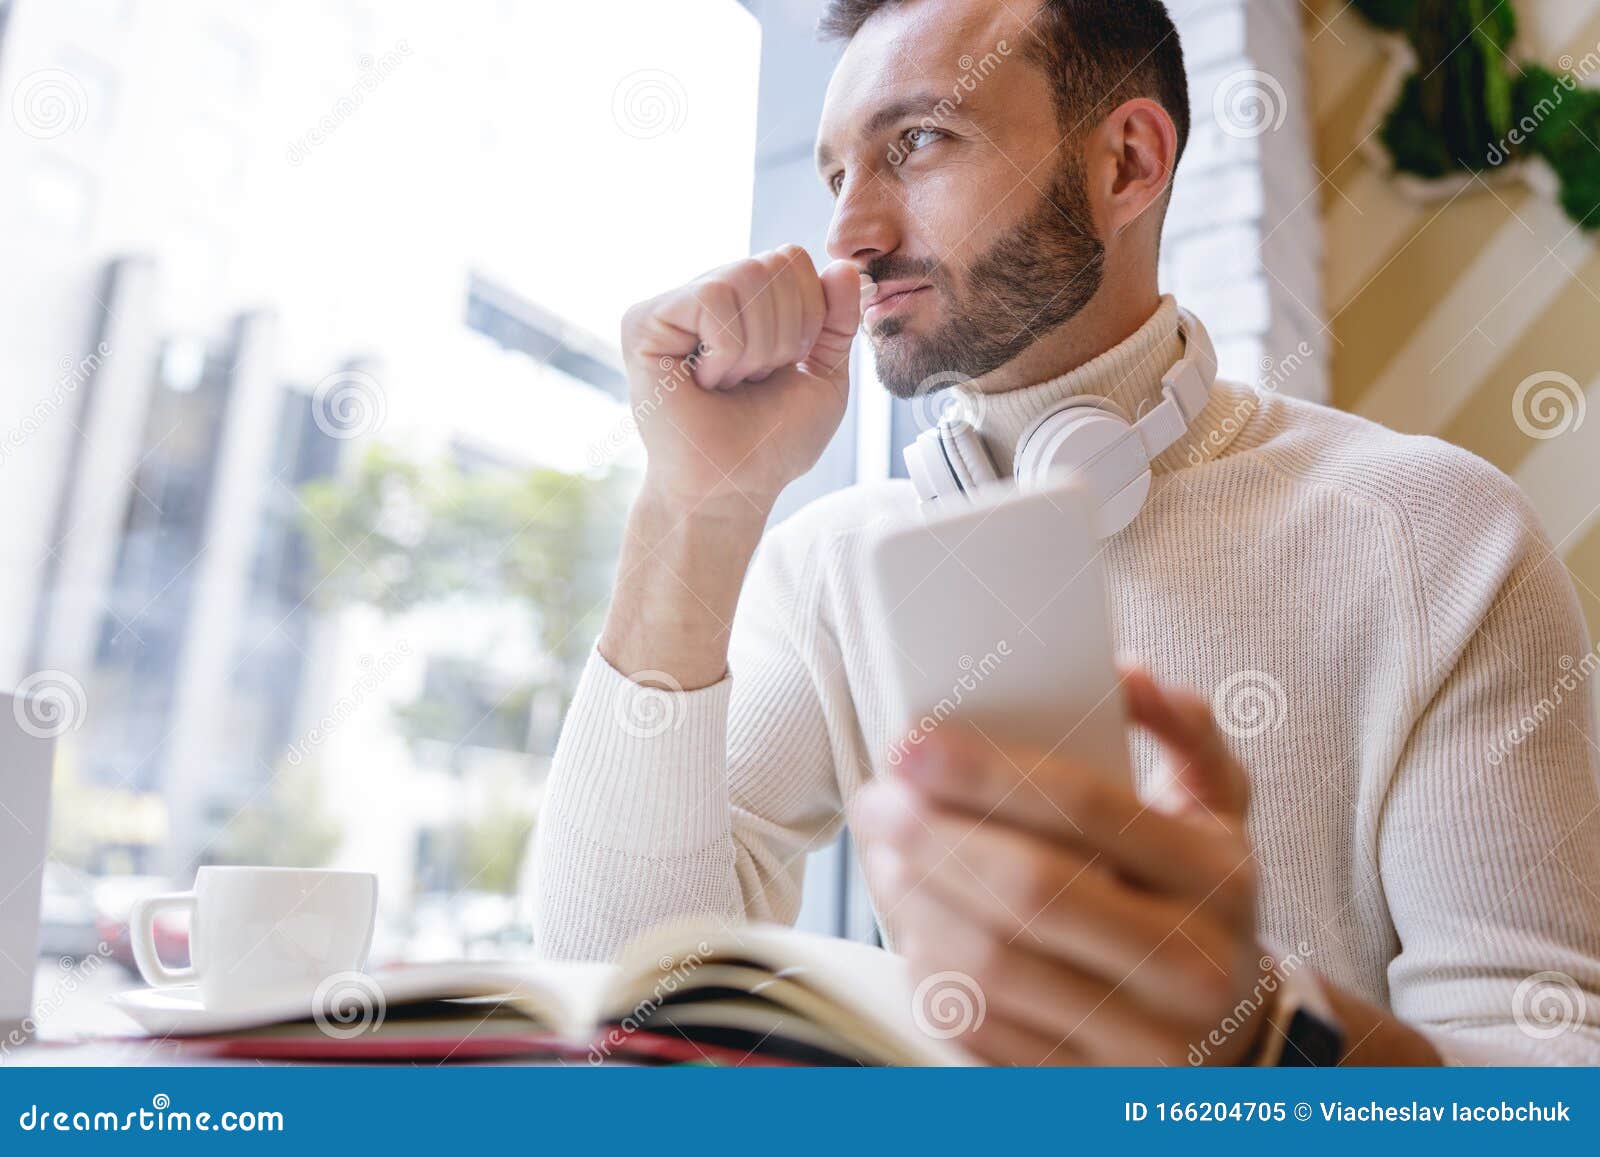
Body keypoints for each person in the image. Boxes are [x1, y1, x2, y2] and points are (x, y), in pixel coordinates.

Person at [534, 0, 1600, 1066]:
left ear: (1127, 161)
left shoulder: (1435, 532)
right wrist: (695, 505)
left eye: (915, 142)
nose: (848, 235)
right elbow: (622, 1000)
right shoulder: (832, 565)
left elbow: (1547, 1094)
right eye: (833, 176)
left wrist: (1259, 1031)